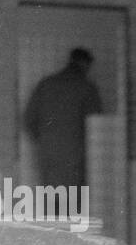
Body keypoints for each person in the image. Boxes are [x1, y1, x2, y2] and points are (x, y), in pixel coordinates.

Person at [22, 47, 103, 188]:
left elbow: (28, 120)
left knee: (51, 205)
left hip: (49, 158)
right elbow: (97, 127)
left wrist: (45, 142)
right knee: (75, 207)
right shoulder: (87, 88)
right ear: (85, 64)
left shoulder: (45, 84)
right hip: (76, 162)